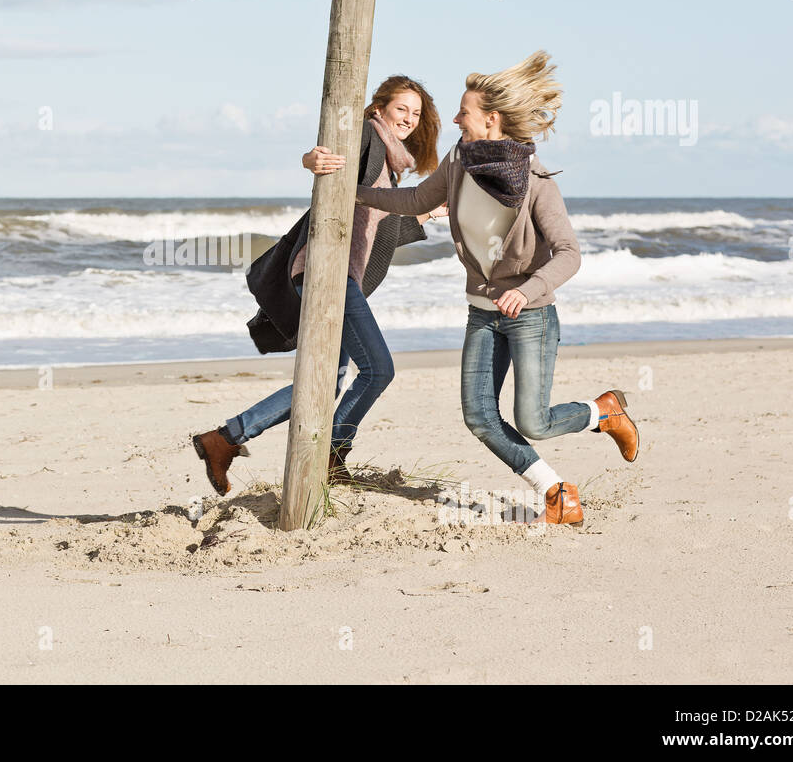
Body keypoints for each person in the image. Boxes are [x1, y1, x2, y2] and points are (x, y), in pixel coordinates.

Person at [354, 51, 640, 525]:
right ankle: (556, 490)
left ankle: (601, 413)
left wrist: (527, 290)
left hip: (530, 315)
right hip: (481, 313)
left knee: (534, 420)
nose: (455, 120)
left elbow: (570, 253)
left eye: (463, 112)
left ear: (491, 119)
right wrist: (349, 189)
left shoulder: (537, 181)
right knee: (480, 417)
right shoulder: (458, 164)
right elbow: (411, 200)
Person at [192, 76, 447, 496]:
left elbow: (376, 232)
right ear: (378, 108)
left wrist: (429, 215)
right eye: (402, 108)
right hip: (326, 274)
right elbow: (327, 153)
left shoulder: (390, 165)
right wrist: (311, 160)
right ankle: (333, 450)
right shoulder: (367, 136)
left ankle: (225, 438)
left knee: (324, 382)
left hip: (337, 277)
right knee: (380, 369)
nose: (409, 119)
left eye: (416, 114)